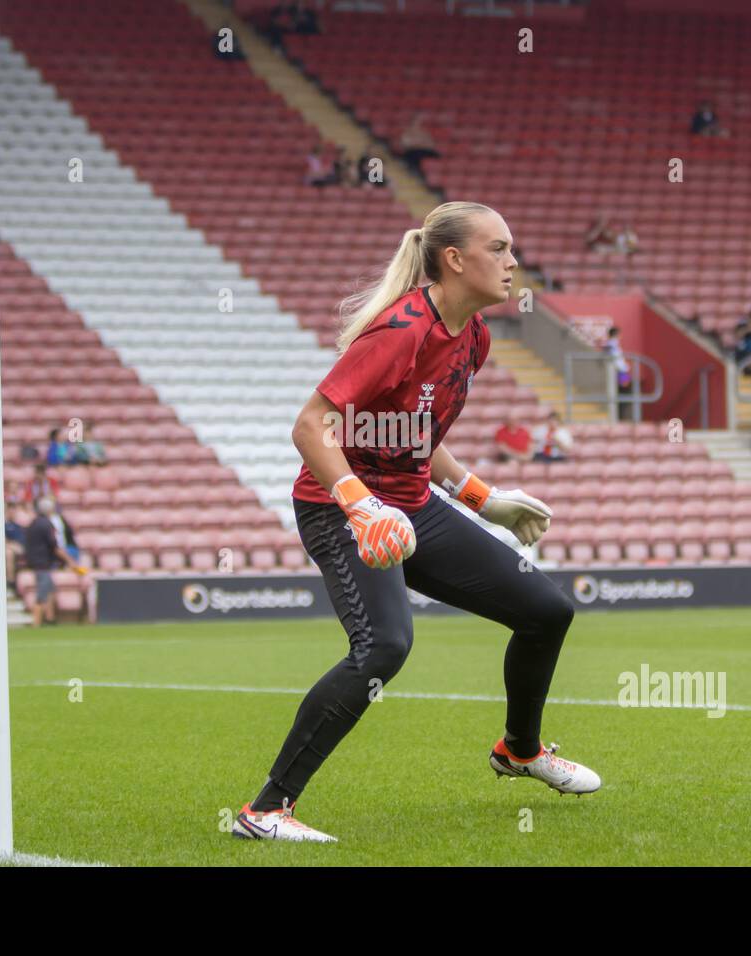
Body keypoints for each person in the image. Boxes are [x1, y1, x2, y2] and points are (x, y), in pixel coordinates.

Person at [232, 201, 598, 843]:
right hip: (338, 508)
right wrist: (360, 504)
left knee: (546, 610)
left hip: (412, 506)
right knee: (384, 647)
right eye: (499, 248)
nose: (513, 262)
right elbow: (310, 427)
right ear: (454, 259)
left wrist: (482, 497)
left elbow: (419, 433)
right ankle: (265, 811)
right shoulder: (400, 331)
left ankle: (519, 751)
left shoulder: (474, 336)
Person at [23, 496, 77, 627]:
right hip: (43, 563)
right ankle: (36, 623)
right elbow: (54, 546)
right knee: (42, 592)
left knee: (50, 589)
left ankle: (50, 618)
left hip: (36, 561)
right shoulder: (47, 525)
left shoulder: (34, 523)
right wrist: (70, 561)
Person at [4, 502, 25, 587]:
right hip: (9, 548)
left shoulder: (17, 526)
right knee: (9, 553)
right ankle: (10, 581)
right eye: (10, 510)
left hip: (20, 547)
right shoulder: (4, 525)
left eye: (14, 510)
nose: (12, 512)